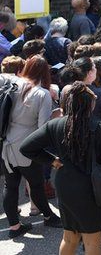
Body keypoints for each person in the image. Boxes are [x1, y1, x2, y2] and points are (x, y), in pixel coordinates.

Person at [20, 82, 101, 255]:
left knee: (69, 237)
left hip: (65, 185)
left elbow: (26, 147)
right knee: (92, 242)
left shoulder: (56, 125)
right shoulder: (98, 126)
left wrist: (52, 161)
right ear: (89, 104)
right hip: (92, 188)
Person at [2, 56, 61, 236]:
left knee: (10, 185)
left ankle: (14, 226)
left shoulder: (13, 83)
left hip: (6, 142)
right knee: (36, 185)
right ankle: (49, 217)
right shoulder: (42, 94)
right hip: (28, 145)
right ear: (44, 73)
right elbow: (44, 127)